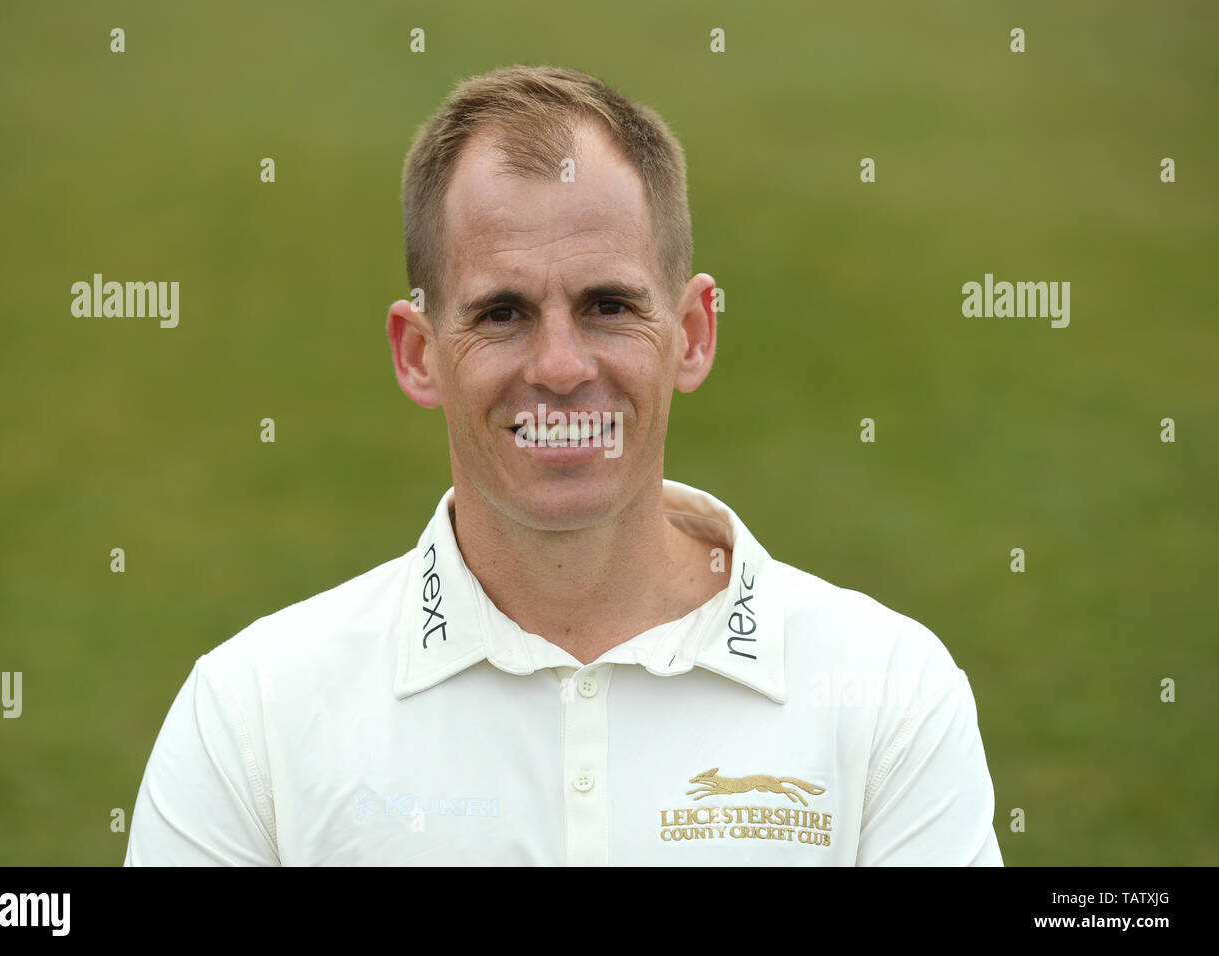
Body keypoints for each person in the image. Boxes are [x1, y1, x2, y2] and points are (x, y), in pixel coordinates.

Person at [124, 64, 1003, 866]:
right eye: (502, 313)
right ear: (418, 353)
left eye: (608, 305)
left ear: (693, 335)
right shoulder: (253, 716)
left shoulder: (890, 693)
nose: (559, 367)